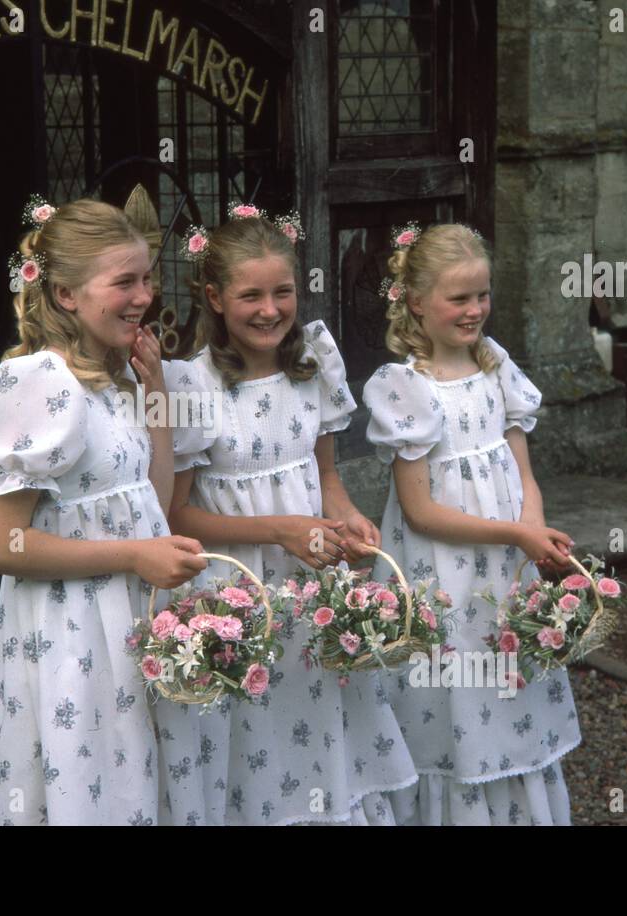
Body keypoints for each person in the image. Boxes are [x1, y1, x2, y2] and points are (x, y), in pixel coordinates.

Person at [157, 207, 416, 825]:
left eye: (283, 292)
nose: (270, 309)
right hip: (237, 592)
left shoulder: (312, 366)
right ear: (216, 297)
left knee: (318, 724)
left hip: (311, 583)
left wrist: (349, 520)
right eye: (250, 295)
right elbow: (177, 514)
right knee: (256, 736)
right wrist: (280, 530)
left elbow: (326, 476)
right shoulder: (192, 387)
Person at [0, 198, 207, 825]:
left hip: (129, 621)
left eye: (147, 278)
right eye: (124, 282)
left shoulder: (112, 376)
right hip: (70, 635)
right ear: (67, 293)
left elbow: (150, 501)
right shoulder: (39, 382)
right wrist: (133, 554)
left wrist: (154, 390)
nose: (144, 297)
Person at [365, 221, 579, 825]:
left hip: (509, 565)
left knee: (510, 684)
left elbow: (523, 473)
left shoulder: (497, 369)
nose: (474, 310)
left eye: (481, 295)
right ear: (414, 300)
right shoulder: (404, 388)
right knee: (454, 690)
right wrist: (515, 533)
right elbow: (420, 510)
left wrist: (532, 534)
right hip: (443, 574)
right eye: (458, 298)